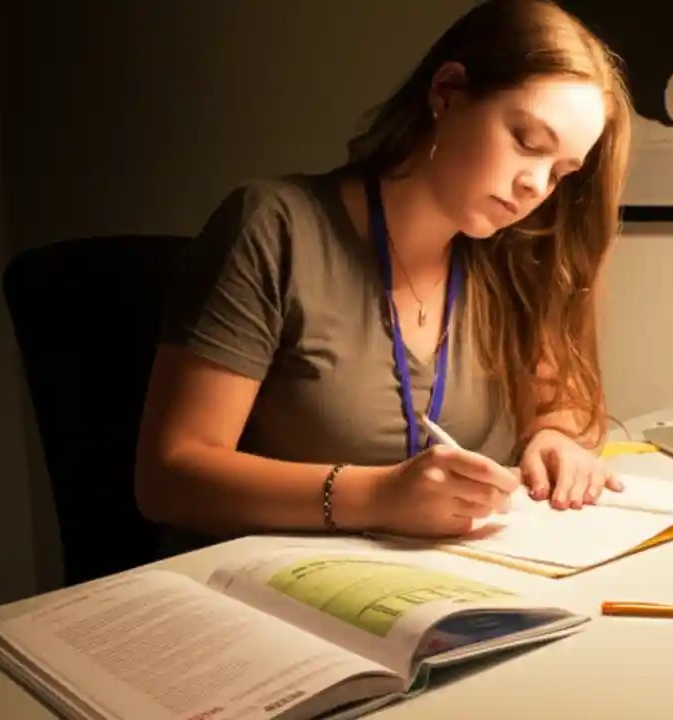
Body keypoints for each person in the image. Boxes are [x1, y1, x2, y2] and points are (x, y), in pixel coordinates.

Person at [135, 0, 633, 550]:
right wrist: (380, 497)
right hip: (261, 593)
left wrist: (555, 438)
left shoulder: (505, 255)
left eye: (560, 172)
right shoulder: (275, 228)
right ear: (447, 92)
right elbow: (168, 478)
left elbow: (555, 400)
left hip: (432, 594)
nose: (536, 186)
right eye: (527, 143)